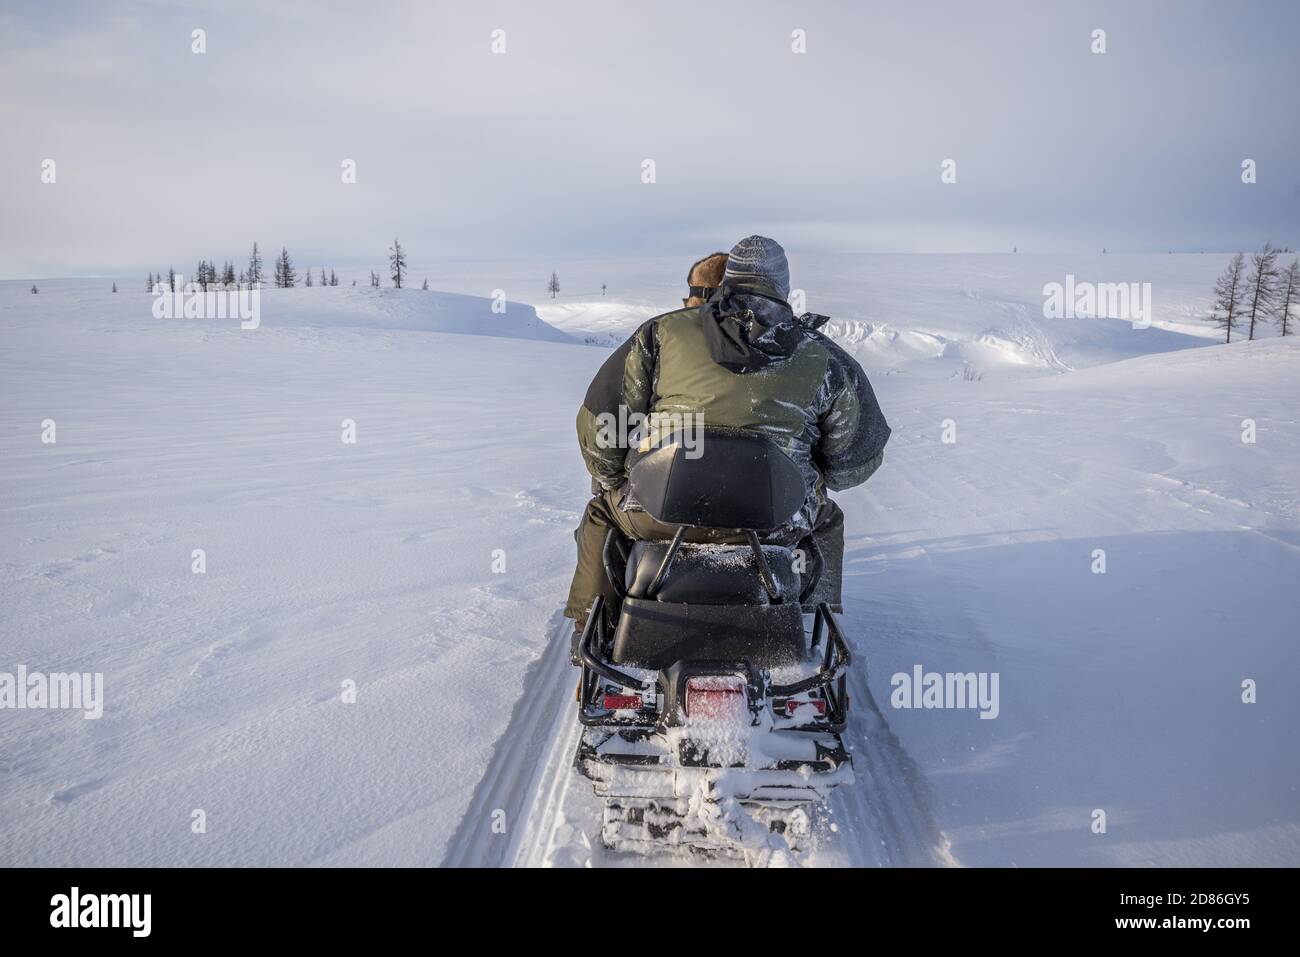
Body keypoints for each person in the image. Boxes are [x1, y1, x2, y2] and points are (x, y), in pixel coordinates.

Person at [564, 236, 890, 639]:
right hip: (776, 522)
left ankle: (590, 626)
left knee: (603, 510)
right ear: (783, 287)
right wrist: (817, 475)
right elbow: (855, 461)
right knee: (824, 518)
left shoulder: (662, 334)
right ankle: (806, 625)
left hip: (660, 517)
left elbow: (602, 425)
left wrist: (612, 476)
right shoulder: (823, 356)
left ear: (727, 281)